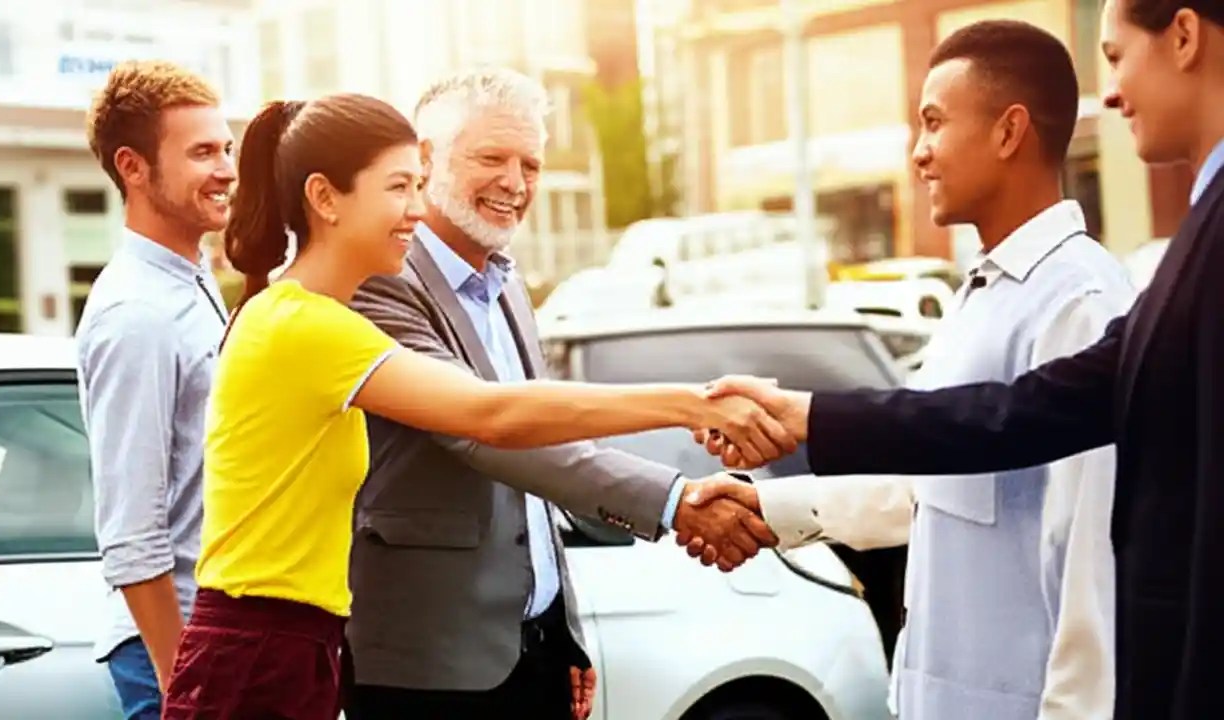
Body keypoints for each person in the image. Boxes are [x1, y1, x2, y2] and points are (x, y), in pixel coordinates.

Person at [159, 93, 788, 720]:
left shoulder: (316, 319)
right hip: (261, 651)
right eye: (399, 188)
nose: (415, 210)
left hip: (294, 645)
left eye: (419, 186)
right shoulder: (305, 326)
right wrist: (691, 405)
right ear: (325, 199)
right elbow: (492, 417)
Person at [696, 3, 1224, 718]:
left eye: (935, 121)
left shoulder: (1080, 298)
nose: (917, 151)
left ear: (1009, 130)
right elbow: (931, 485)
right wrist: (768, 507)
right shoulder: (980, 294)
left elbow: (1089, 565)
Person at [340, 68, 771, 720]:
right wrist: (677, 496)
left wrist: (564, 630)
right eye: (491, 158)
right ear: (423, 159)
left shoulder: (506, 283)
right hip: (428, 667)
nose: (515, 183)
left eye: (531, 164)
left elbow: (543, 463)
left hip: (531, 650)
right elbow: (490, 434)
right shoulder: (381, 281)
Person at [75, 60, 235, 719]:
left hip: (214, 634)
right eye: (202, 152)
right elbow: (131, 531)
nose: (226, 168)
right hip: (177, 645)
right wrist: (184, 686)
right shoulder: (136, 314)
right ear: (133, 167)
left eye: (226, 148)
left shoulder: (188, 281)